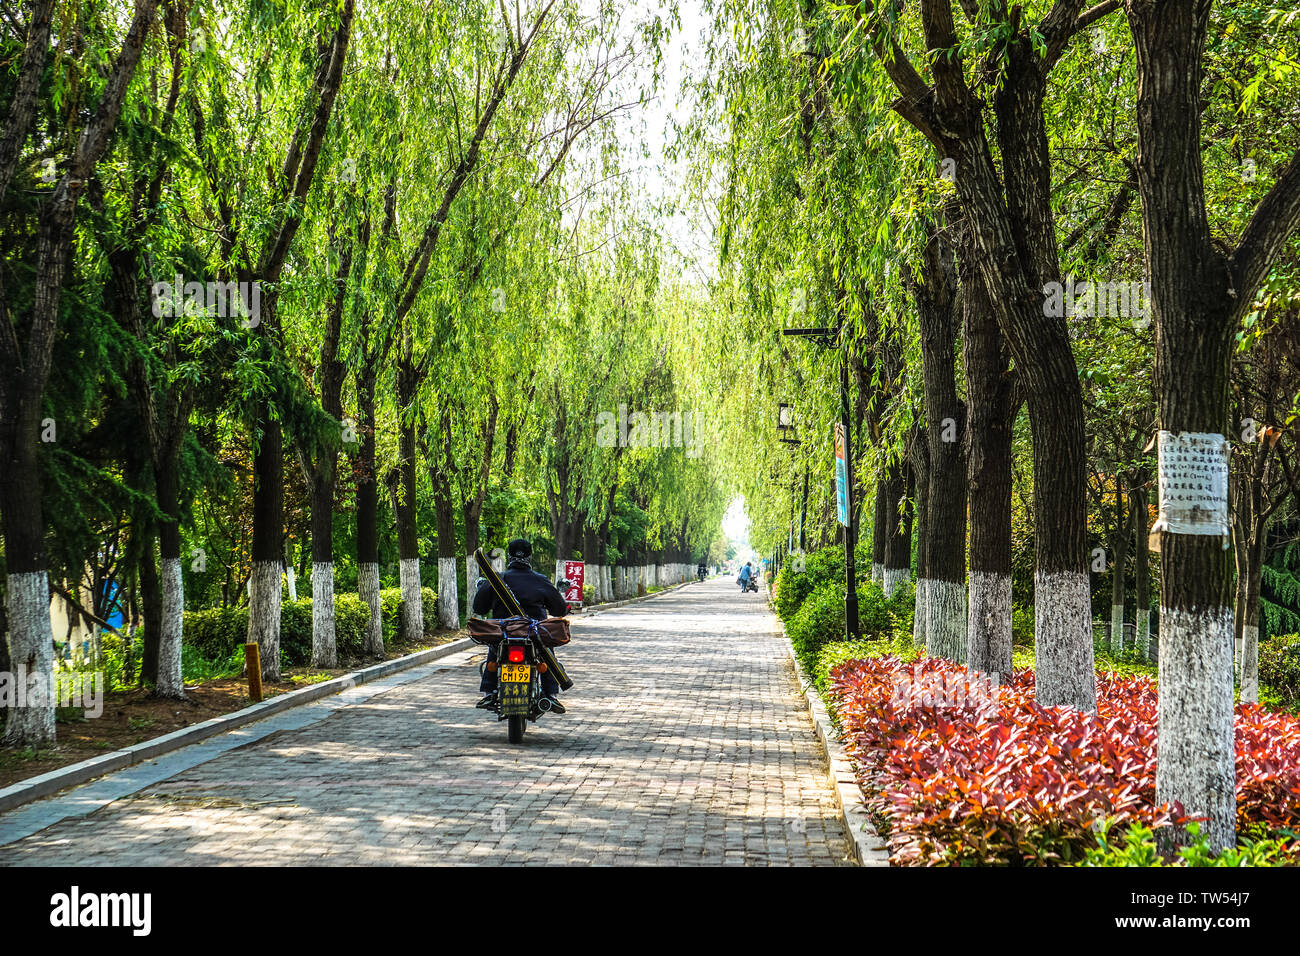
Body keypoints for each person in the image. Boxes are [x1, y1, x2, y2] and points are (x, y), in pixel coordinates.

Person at [472, 537, 569, 713]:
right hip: (533, 634)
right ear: (530, 556)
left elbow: (478, 607)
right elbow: (559, 609)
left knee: (493, 656)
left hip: (504, 633)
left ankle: (489, 691)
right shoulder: (540, 580)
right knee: (547, 656)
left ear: (509, 556)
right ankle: (551, 695)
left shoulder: (496, 580)